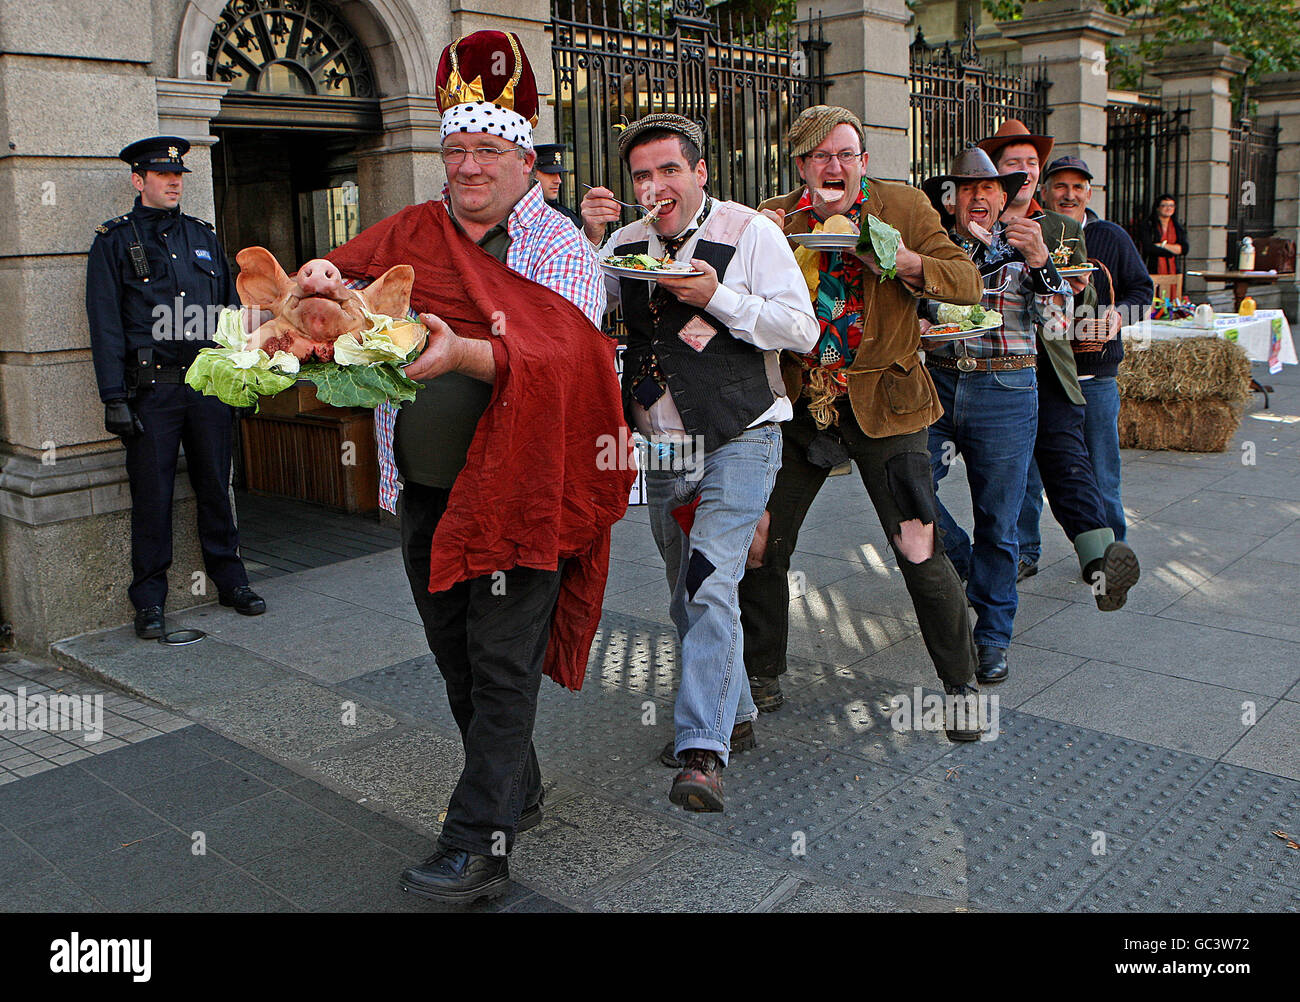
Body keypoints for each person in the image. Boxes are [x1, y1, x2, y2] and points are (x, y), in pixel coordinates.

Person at [326, 31, 633, 904]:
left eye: (486, 150)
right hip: (423, 493)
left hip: (518, 493)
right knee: (456, 658)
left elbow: (570, 372)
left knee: (500, 667)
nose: (466, 166)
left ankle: (479, 847)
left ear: (524, 158)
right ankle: (518, 786)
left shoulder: (561, 247)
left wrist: (462, 352)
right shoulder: (414, 233)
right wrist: (319, 280)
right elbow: (346, 282)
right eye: (455, 149)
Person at [581, 113, 819, 811]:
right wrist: (588, 244)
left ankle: (702, 751)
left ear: (700, 173)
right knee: (687, 590)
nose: (656, 187)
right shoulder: (622, 246)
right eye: (642, 176)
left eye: (669, 171)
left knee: (710, 580)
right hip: (663, 444)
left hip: (743, 433)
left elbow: (800, 329)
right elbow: (593, 327)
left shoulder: (750, 233)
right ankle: (735, 713)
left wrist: (713, 296)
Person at [737, 104, 985, 741]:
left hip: (888, 405)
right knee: (762, 540)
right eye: (821, 157)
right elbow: (735, 294)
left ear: (863, 163)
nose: (834, 166)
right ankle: (761, 670)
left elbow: (966, 282)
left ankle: (962, 686)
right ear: (801, 167)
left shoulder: (904, 208)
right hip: (799, 407)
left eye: (845, 154)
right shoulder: (778, 215)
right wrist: (751, 241)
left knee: (917, 546)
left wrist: (904, 263)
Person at [86, 136, 265, 640]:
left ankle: (231, 581)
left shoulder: (203, 236)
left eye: (179, 176)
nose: (173, 183)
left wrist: (243, 378)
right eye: (163, 176)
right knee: (153, 497)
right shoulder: (114, 242)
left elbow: (231, 318)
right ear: (139, 181)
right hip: (153, 392)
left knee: (216, 485)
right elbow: (104, 325)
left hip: (209, 385)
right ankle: (149, 600)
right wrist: (113, 397)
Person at [979, 122, 1141, 670]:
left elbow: (1084, 294)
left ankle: (1100, 566)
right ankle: (1014, 556)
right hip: (991, 371)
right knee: (1014, 479)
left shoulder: (1062, 227)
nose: (1022, 172)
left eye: (1030, 164)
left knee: (1068, 463)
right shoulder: (974, 220)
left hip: (1051, 368)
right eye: (1011, 163)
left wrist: (1056, 272)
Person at [920, 147, 1068, 686]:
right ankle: (964, 561)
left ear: (1003, 197)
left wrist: (1041, 264)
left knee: (1000, 521)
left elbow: (1058, 327)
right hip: (936, 382)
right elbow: (911, 308)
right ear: (953, 198)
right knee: (910, 490)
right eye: (967, 188)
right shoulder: (933, 248)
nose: (978, 197)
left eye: (989, 189)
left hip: (1005, 386)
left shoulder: (1028, 245)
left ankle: (992, 636)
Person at [1017, 156, 1153, 577]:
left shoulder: (1109, 237)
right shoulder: (1028, 235)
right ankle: (1024, 552)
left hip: (1093, 375)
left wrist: (1116, 319)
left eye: (1078, 187)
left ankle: (1112, 557)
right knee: (1027, 476)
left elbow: (1142, 293)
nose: (1069, 194)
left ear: (1089, 193)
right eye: (1061, 186)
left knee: (1101, 472)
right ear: (1045, 191)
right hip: (1039, 374)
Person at [531, 143, 582, 228]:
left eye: (558, 173)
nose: (558, 181)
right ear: (532, 173)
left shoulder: (566, 216)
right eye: (550, 173)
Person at [1140, 194, 1188, 276]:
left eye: (1171, 206)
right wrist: (1172, 249)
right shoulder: (1148, 225)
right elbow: (1148, 248)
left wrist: (1162, 245)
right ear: (1158, 207)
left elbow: (1184, 249)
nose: (1168, 208)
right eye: (1164, 205)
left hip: (1173, 270)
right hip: (1152, 269)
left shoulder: (1177, 227)